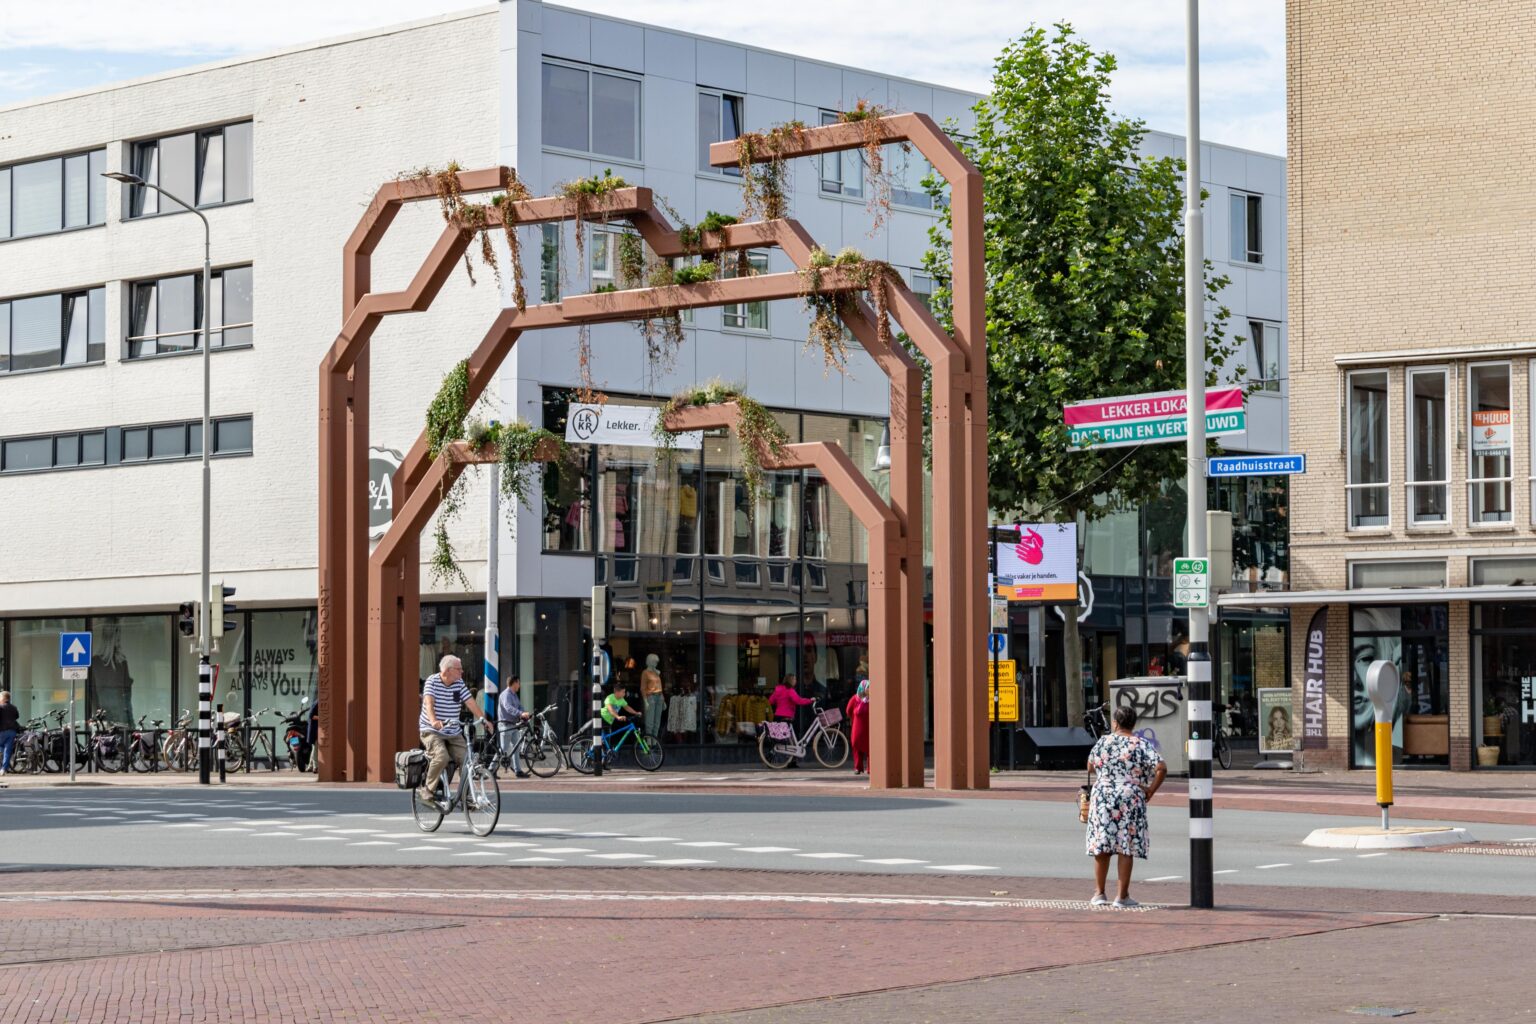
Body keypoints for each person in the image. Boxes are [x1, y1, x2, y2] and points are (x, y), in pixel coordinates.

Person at [1085, 705, 1167, 909]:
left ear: (1115, 723)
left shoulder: (1103, 741)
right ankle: (1122, 897)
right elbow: (1161, 768)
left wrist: (1108, 774)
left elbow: (1090, 766)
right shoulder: (1141, 744)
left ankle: (1099, 893)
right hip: (1130, 797)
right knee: (1126, 845)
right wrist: (1150, 790)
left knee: (1102, 844)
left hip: (1103, 796)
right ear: (1134, 724)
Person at [417, 654, 492, 808]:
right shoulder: (432, 681)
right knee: (441, 756)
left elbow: (470, 702)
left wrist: (483, 719)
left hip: (452, 731)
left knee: (468, 760)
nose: (462, 672)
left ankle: (466, 796)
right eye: (459, 669)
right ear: (447, 670)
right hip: (431, 730)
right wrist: (434, 721)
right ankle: (427, 789)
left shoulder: (458, 683)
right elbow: (429, 703)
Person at [769, 673, 814, 768]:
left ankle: (775, 755)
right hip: (787, 718)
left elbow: (771, 701)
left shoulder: (778, 689)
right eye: (794, 679)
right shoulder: (790, 690)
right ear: (790, 680)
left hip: (777, 717)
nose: (796, 681)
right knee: (792, 740)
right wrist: (810, 700)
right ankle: (792, 761)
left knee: (781, 738)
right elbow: (798, 700)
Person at [497, 675, 532, 778]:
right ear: (515, 683)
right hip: (506, 725)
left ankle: (518, 771)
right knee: (503, 749)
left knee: (516, 748)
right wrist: (520, 714)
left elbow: (519, 706)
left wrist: (525, 713)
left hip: (513, 726)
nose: (519, 685)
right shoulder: (506, 694)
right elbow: (508, 707)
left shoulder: (514, 695)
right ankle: (491, 769)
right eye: (518, 683)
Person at [845, 679, 870, 775]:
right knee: (856, 745)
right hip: (857, 727)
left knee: (870, 747)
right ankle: (858, 767)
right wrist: (854, 718)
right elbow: (848, 710)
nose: (870, 689)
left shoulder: (873, 699)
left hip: (869, 728)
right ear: (863, 688)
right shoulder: (855, 699)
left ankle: (870, 768)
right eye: (868, 687)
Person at [640, 654, 664, 738]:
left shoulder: (656, 672)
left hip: (659, 697)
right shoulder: (645, 673)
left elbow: (659, 687)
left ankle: (654, 741)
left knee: (657, 722)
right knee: (649, 722)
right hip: (651, 697)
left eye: (657, 662)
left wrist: (663, 700)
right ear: (650, 661)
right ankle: (649, 742)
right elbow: (643, 688)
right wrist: (645, 701)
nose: (656, 663)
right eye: (655, 662)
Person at [0, 691, 18, 775]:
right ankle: (4, 769)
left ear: (3, 698)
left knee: (2, 749)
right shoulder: (13, 707)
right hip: (12, 731)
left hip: (2, 731)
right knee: (7, 751)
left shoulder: (1, 707)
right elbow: (17, 716)